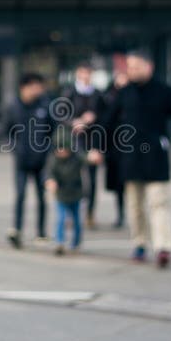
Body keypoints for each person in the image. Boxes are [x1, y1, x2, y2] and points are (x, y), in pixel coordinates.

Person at [102, 51, 171, 268]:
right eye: (130, 67)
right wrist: (100, 148)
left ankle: (163, 246)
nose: (132, 71)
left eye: (136, 67)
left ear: (149, 66)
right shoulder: (124, 92)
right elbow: (107, 121)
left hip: (156, 157)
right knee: (135, 205)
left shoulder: (164, 91)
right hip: (129, 158)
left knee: (159, 203)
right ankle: (139, 243)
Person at [4, 72, 54, 249]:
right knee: (20, 195)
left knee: (42, 197)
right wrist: (15, 149)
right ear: (23, 88)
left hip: (41, 161)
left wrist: (48, 152)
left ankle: (41, 232)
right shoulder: (14, 106)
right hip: (21, 161)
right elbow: (8, 131)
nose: (37, 90)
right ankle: (16, 230)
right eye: (33, 86)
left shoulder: (45, 106)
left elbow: (52, 131)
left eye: (39, 86)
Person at [45, 130, 102, 256]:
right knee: (60, 219)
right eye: (59, 149)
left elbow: (86, 158)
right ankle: (59, 242)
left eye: (64, 149)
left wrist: (92, 158)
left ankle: (76, 242)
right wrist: (50, 181)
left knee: (77, 221)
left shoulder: (76, 156)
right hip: (61, 194)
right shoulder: (53, 159)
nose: (61, 152)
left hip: (76, 194)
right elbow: (49, 173)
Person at [61, 62, 103, 229]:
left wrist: (94, 117)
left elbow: (106, 116)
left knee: (92, 180)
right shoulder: (69, 93)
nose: (85, 76)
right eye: (82, 73)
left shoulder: (98, 95)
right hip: (74, 142)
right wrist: (74, 123)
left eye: (88, 73)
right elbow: (61, 116)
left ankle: (90, 214)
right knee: (72, 178)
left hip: (92, 141)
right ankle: (72, 213)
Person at [102, 71, 129, 228]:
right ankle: (120, 214)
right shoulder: (109, 96)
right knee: (118, 185)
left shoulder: (133, 94)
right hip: (115, 147)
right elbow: (105, 122)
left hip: (131, 147)